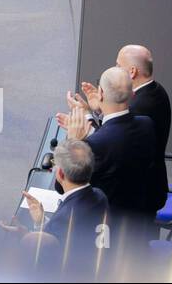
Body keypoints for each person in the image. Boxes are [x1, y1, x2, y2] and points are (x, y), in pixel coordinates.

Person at [56, 66, 165, 240]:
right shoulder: (147, 124)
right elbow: (115, 136)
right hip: (138, 222)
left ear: (100, 94)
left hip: (103, 231)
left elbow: (62, 185)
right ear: (133, 95)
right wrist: (89, 115)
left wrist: (73, 142)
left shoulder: (95, 145)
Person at [4, 139, 109, 269]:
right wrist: (41, 221)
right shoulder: (100, 196)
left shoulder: (62, 220)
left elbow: (44, 258)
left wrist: (26, 236)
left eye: (55, 164)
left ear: (60, 174)